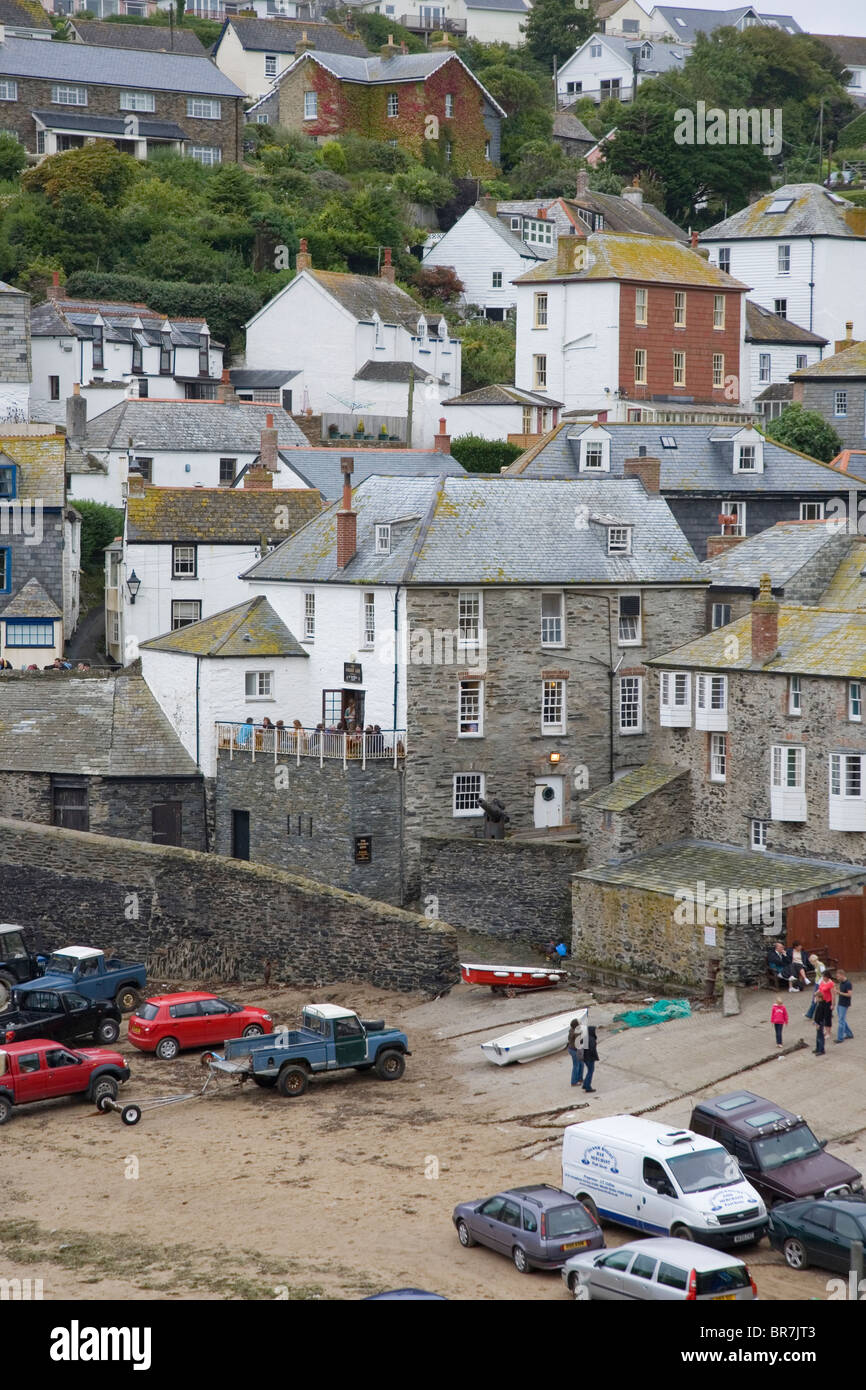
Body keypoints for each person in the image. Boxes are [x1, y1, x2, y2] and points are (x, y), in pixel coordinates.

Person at [812, 972, 835, 1055]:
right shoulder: (819, 1004)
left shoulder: (831, 984)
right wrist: (815, 1021)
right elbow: (816, 1014)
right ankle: (818, 1048)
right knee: (818, 1036)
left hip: (820, 1022)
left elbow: (819, 1015)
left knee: (820, 1036)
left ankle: (821, 1050)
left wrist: (818, 1023)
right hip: (818, 1022)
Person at [804, 954, 827, 1020]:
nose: (811, 963)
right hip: (817, 983)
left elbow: (824, 975)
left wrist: (820, 983)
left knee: (815, 998)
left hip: (820, 984)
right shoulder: (816, 965)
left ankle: (810, 1014)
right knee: (820, 998)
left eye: (811, 962)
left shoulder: (820, 965)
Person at [836, 969, 853, 1043]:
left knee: (841, 1021)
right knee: (842, 1019)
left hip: (844, 1003)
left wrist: (840, 993)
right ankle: (849, 1034)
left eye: (838, 976)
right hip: (840, 1002)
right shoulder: (841, 983)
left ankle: (840, 1038)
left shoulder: (848, 983)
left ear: (842, 975)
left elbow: (849, 994)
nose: (837, 978)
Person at [566, 1018, 585, 1087]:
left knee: (581, 1064)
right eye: (579, 1022)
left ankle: (580, 1079)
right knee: (576, 1065)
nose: (580, 1023)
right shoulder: (577, 1032)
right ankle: (574, 1082)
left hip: (571, 1049)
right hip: (575, 1050)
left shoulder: (571, 1029)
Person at [582, 1025, 599, 1093]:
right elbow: (592, 1050)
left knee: (589, 1071)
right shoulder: (592, 1039)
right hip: (590, 1058)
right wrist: (595, 1057)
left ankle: (585, 1084)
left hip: (585, 1057)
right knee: (590, 1072)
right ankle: (588, 1087)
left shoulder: (585, 1038)